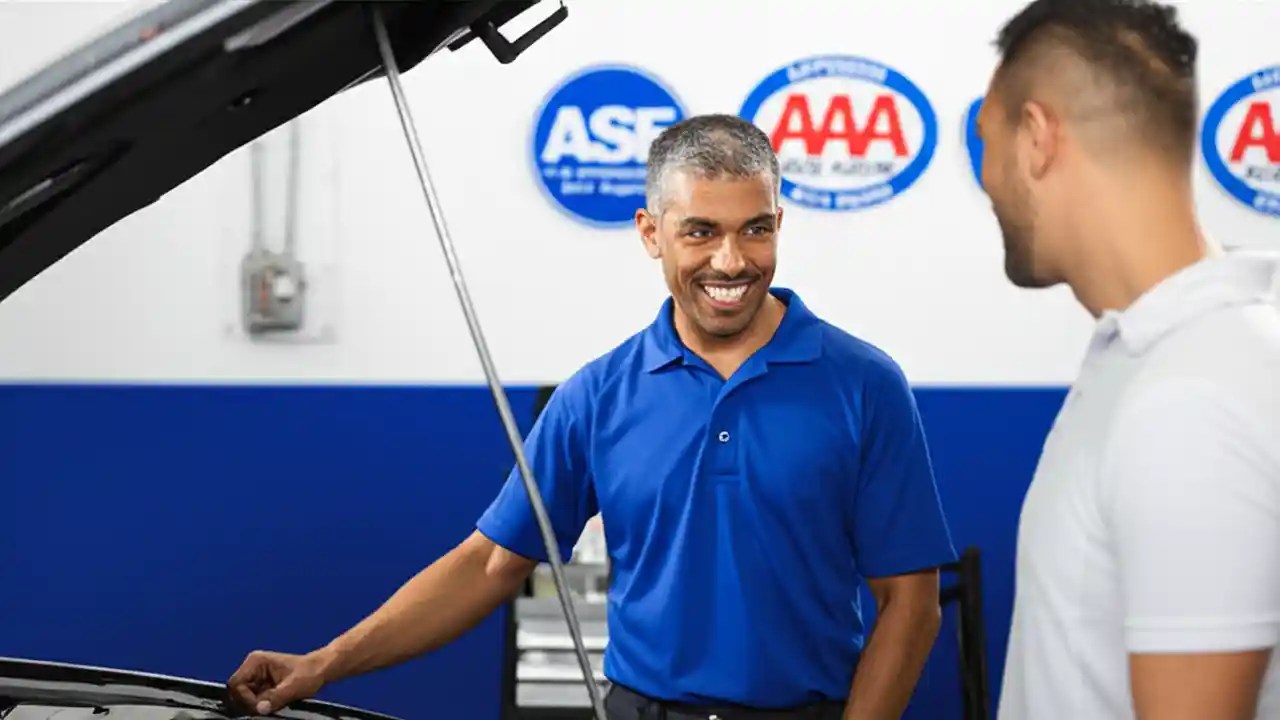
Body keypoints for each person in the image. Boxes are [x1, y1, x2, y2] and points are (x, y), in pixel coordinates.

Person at [226, 114, 957, 719]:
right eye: (701, 231)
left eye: (756, 229)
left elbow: (910, 603)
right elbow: (489, 564)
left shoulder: (865, 385)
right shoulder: (597, 395)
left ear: (779, 224)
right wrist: (325, 662)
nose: (732, 261)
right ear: (650, 232)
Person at [976, 1, 1280, 718]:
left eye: (985, 140)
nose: (986, 179)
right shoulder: (1163, 356)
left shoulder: (1192, 397)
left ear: (1036, 138)